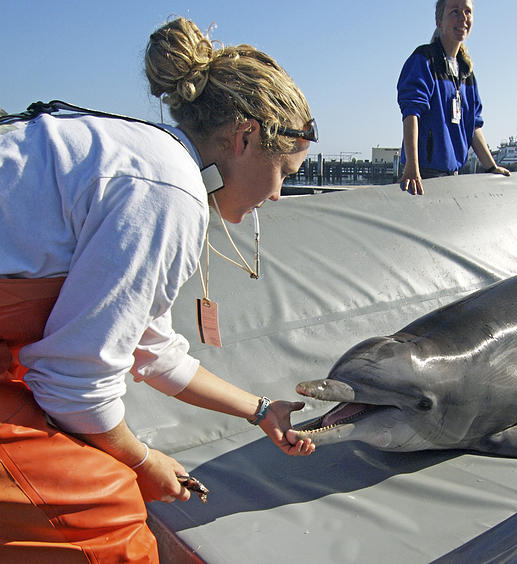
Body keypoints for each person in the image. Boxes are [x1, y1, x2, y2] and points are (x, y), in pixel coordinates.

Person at [0, 17, 317, 562]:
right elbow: (74, 383)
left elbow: (149, 348)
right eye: (285, 171)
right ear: (246, 137)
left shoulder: (146, 157)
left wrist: (261, 409)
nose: (281, 194)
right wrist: (142, 461)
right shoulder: (167, 190)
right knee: (105, 516)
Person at [397, 0, 510, 195]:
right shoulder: (424, 60)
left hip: (453, 176)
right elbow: (411, 113)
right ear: (439, 21)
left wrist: (491, 167)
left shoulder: (466, 73)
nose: (463, 18)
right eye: (455, 12)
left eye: (467, 11)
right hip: (423, 176)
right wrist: (412, 168)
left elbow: (473, 125)